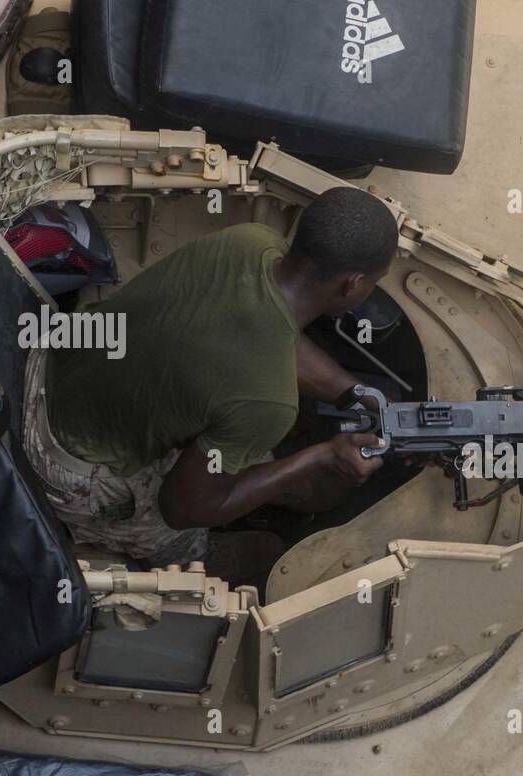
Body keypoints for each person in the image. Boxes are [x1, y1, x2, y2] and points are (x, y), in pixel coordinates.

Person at [22, 185, 399, 566]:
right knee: (264, 553)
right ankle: (186, 552)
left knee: (246, 439)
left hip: (49, 360)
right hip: (60, 459)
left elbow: (273, 335)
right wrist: (320, 457)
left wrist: (357, 392)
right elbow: (183, 509)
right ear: (352, 283)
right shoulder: (267, 403)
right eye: (374, 281)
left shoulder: (251, 242)